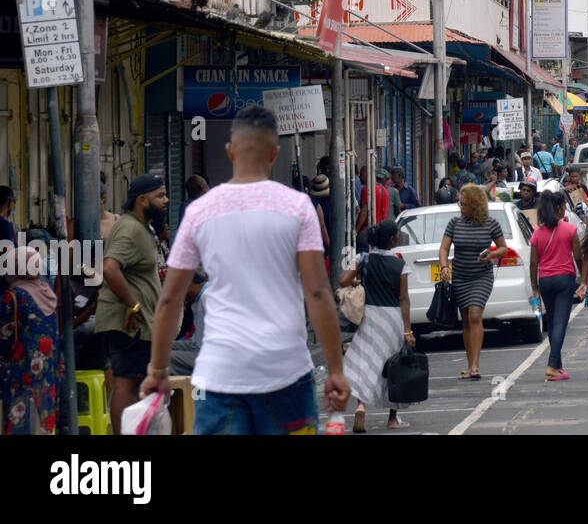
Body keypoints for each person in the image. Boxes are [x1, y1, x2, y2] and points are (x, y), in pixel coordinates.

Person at [141, 106, 350, 434]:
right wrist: (336, 370)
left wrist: (157, 371)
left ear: (230, 151)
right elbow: (318, 292)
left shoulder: (199, 211)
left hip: (220, 375)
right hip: (287, 373)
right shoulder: (297, 207)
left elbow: (169, 299)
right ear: (274, 153)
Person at [97, 172, 167, 434]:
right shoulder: (129, 228)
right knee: (126, 383)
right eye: (159, 196)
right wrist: (133, 305)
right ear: (142, 200)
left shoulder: (140, 227)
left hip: (139, 323)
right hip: (129, 323)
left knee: (133, 382)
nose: (166, 200)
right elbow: (110, 268)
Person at [339, 220, 414, 431]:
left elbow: (342, 280)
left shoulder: (363, 258)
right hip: (391, 319)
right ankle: (392, 418)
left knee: (366, 361)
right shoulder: (400, 265)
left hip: (370, 316)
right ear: (391, 240)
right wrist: (408, 331)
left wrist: (358, 282)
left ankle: (361, 406)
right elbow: (403, 298)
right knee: (393, 366)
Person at [440, 184, 507, 380]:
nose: (461, 208)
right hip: (460, 276)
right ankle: (469, 365)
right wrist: (445, 267)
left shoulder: (491, 223)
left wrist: (491, 254)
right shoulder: (454, 223)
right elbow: (444, 248)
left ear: (476, 205)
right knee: (467, 320)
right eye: (460, 204)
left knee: (475, 314)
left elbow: (503, 248)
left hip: (481, 276)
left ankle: (476, 365)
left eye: (465, 205)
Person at [0, 245, 62, 433]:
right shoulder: (47, 294)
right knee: (42, 422)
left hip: (21, 373)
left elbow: (4, 339)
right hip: (48, 373)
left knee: (21, 421)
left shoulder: (14, 297)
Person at [529, 190, 584, 381]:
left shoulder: (537, 233)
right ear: (559, 209)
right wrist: (584, 280)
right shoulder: (569, 229)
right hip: (564, 279)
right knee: (561, 322)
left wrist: (534, 287)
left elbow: (533, 263)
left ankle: (558, 364)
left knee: (552, 322)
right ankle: (552, 365)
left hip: (545, 281)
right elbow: (578, 256)